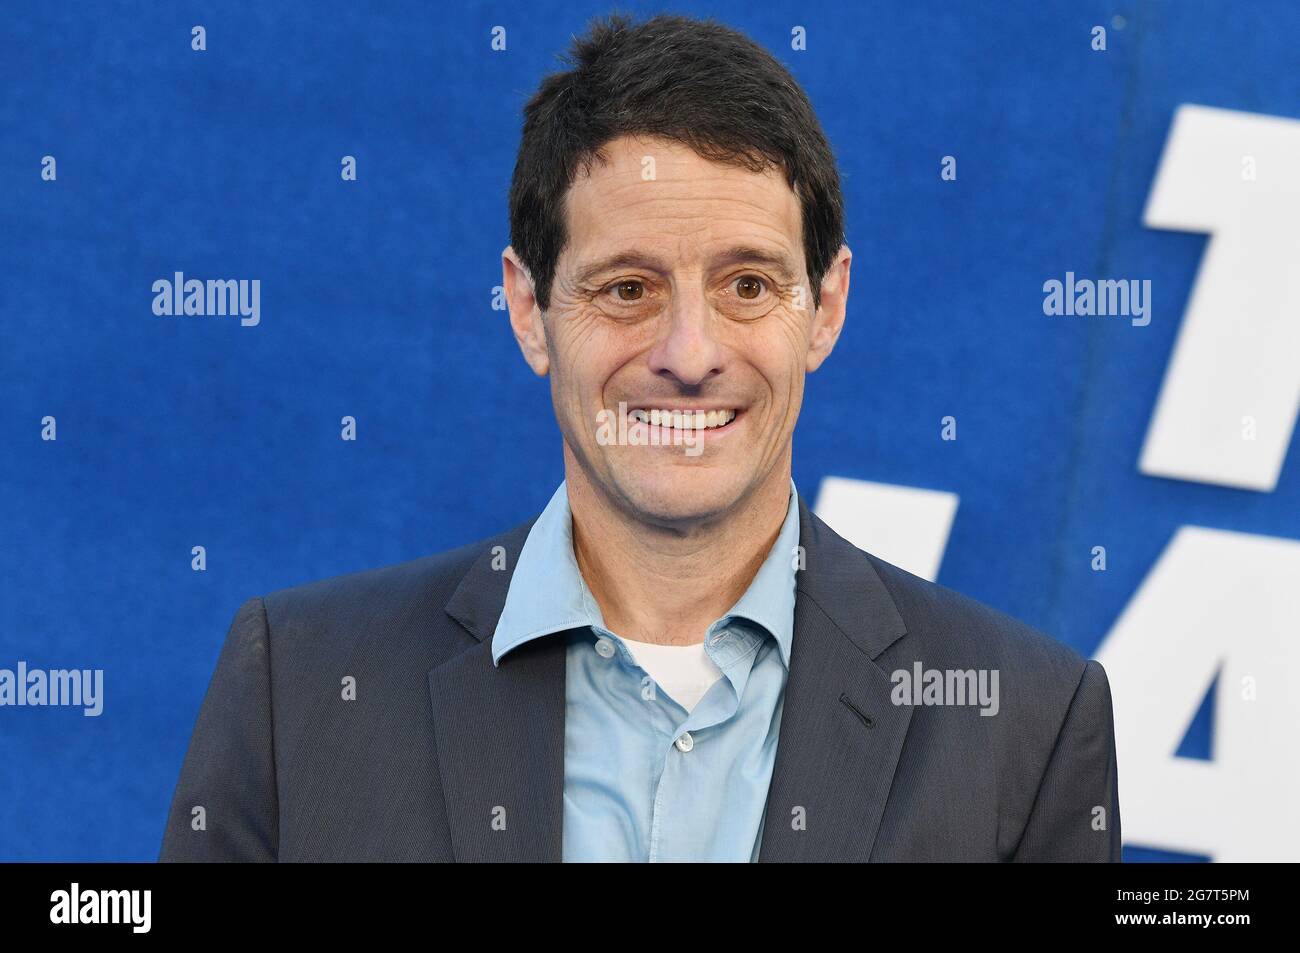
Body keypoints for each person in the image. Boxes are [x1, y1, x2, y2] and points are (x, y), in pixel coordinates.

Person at [160, 12, 1120, 862]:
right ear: (528, 309)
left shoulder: (1025, 730)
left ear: (825, 309)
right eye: (628, 288)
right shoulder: (302, 689)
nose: (689, 354)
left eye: (748, 284)